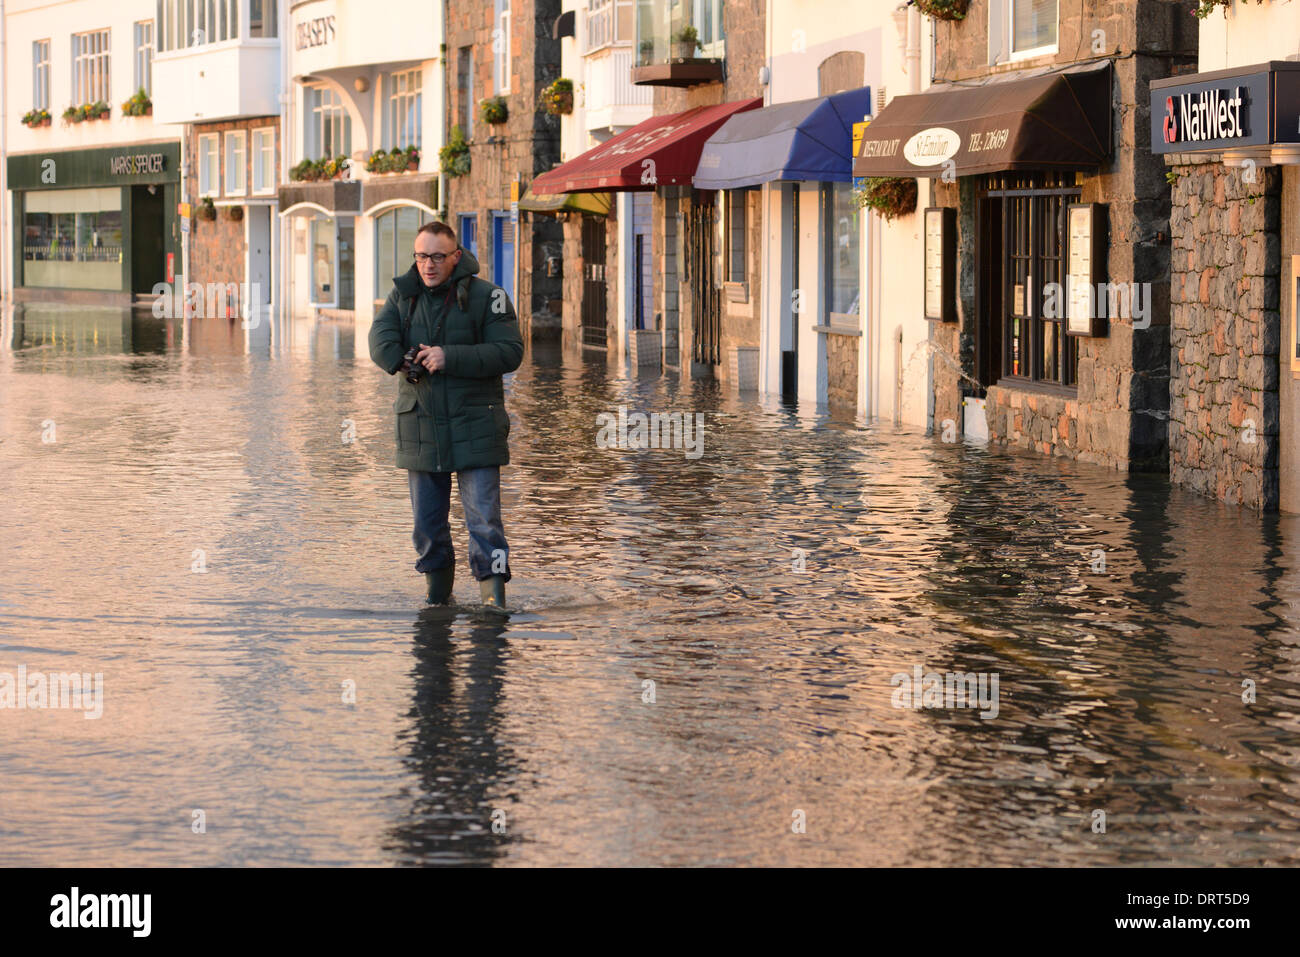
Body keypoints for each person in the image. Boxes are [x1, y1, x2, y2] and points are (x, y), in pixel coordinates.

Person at [368, 221, 523, 610]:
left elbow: (510, 351)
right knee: (427, 528)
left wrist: (448, 356)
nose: (429, 265)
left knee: (486, 525)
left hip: (477, 427)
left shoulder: (492, 296)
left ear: (456, 257)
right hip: (420, 427)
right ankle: (438, 603)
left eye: (438, 256)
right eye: (421, 256)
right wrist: (401, 361)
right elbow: (379, 338)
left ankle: (494, 604)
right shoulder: (401, 297)